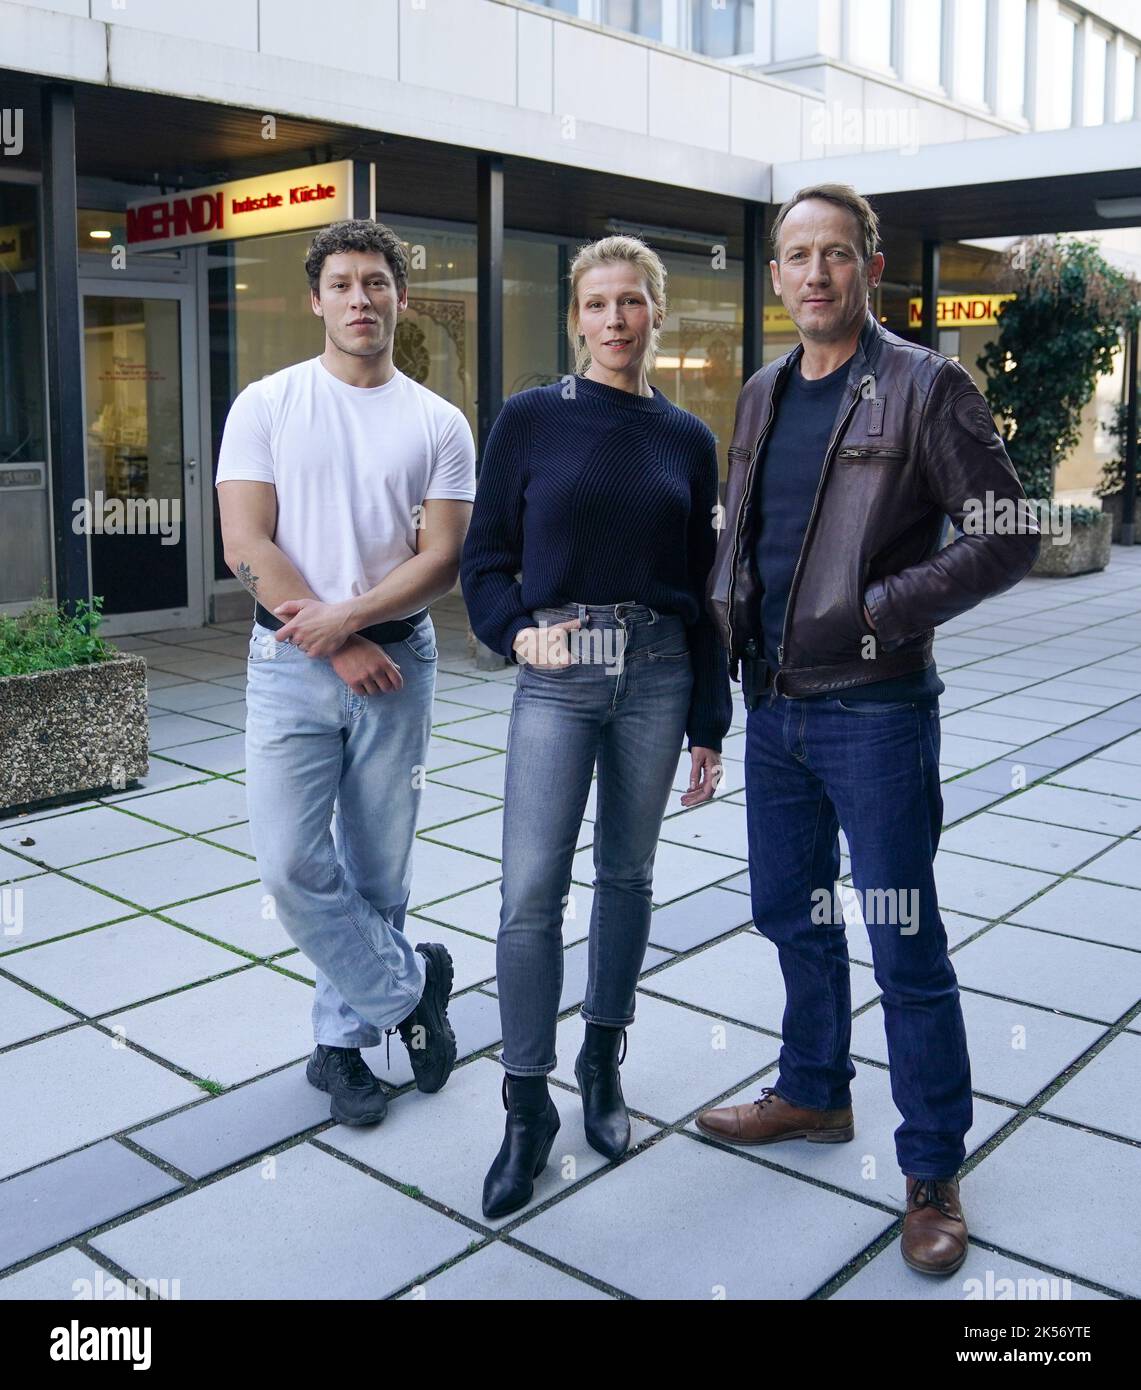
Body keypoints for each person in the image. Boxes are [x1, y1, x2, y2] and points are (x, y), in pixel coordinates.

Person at [700, 184, 1039, 1274]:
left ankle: (932, 1164)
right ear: (776, 274)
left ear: (868, 268)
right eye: (795, 256)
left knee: (900, 938)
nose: (813, 275)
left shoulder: (925, 386)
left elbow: (1006, 530)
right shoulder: (757, 393)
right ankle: (812, 1090)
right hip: (776, 706)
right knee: (787, 912)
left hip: (876, 711)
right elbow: (750, 539)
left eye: (833, 255)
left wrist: (885, 609)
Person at [462, 235, 732, 1219]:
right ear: (575, 316)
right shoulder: (530, 420)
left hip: (658, 673)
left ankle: (602, 1063)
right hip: (562, 674)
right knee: (530, 892)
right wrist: (511, 634)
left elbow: (706, 594)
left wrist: (711, 716)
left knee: (627, 877)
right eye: (598, 302)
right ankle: (525, 1104)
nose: (615, 319)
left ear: (658, 313)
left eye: (633, 301)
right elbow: (484, 558)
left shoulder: (687, 440)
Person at [216, 219, 476, 1126]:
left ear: (398, 296)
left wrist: (357, 622)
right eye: (342, 284)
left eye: (376, 282)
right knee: (291, 863)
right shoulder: (267, 404)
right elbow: (245, 542)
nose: (360, 299)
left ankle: (341, 1048)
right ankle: (412, 989)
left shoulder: (438, 422)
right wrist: (335, 640)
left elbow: (441, 558)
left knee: (377, 869)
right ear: (315, 299)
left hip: (399, 665)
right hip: (288, 665)